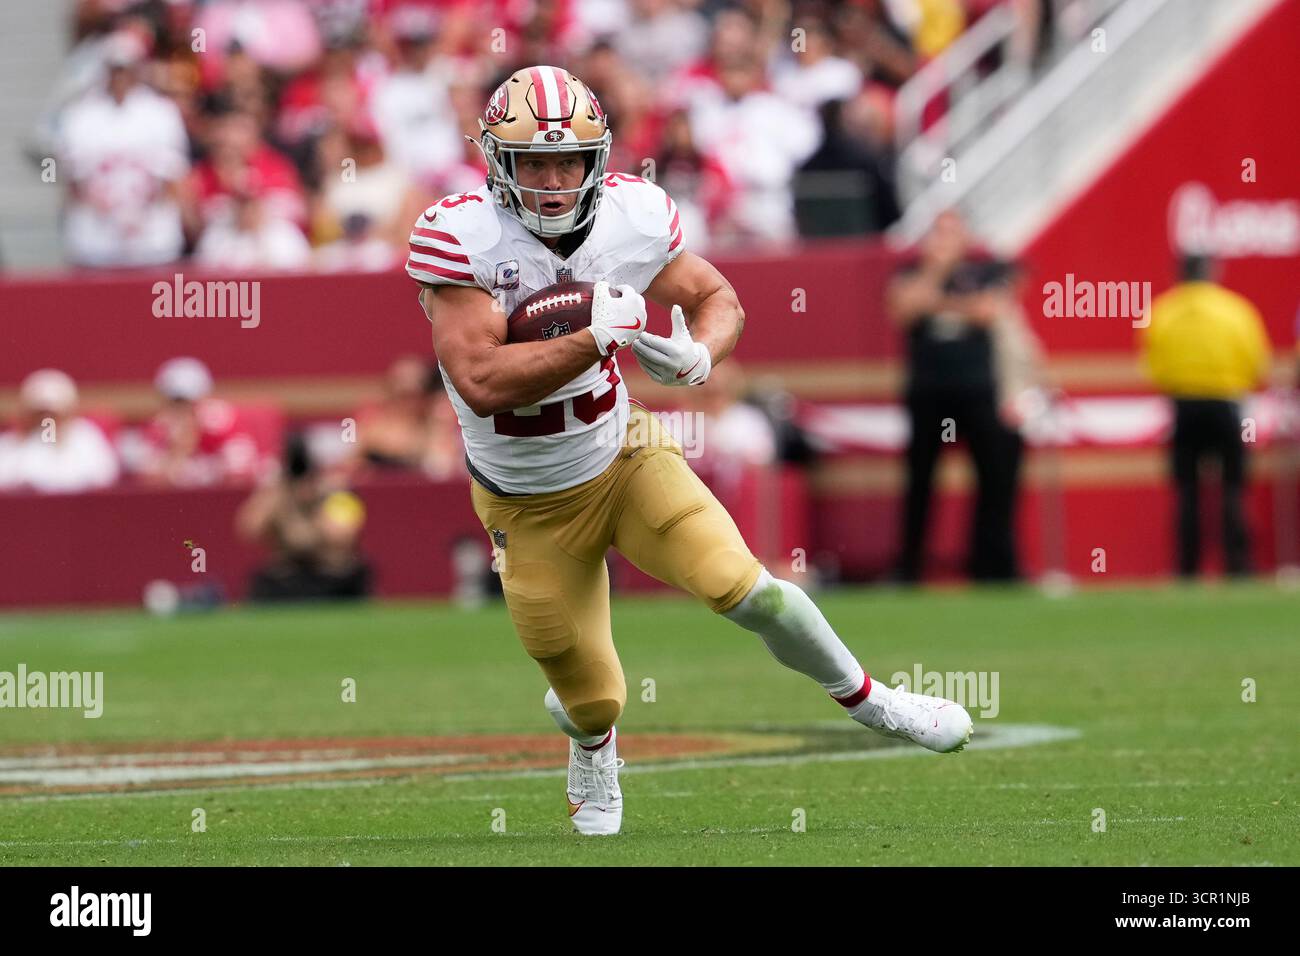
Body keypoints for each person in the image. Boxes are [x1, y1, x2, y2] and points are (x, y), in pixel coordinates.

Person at [408, 65, 973, 837]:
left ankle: (874, 700)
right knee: (595, 696)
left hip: (624, 455)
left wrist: (703, 354)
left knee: (746, 588)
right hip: (525, 501)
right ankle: (593, 740)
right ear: (497, 165)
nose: (550, 179)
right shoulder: (463, 239)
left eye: (566, 160)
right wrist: (593, 337)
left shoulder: (630, 218)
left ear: (596, 160)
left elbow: (717, 299)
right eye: (533, 162)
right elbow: (479, 381)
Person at [887, 210, 1021, 583]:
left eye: (952, 234)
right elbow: (904, 310)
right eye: (938, 234)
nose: (944, 243)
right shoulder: (910, 272)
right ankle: (910, 568)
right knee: (920, 479)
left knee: (993, 478)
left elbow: (987, 312)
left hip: (976, 390)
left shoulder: (985, 271)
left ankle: (993, 567)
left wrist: (940, 304)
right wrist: (936, 276)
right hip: (928, 391)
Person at [1140, 254, 1272, 577]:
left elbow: (1152, 363)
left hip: (1183, 406)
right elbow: (1257, 362)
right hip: (1227, 404)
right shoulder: (1235, 310)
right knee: (1232, 487)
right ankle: (1238, 566)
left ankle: (1187, 568)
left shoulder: (1163, 312)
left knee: (1186, 491)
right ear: (1213, 272)